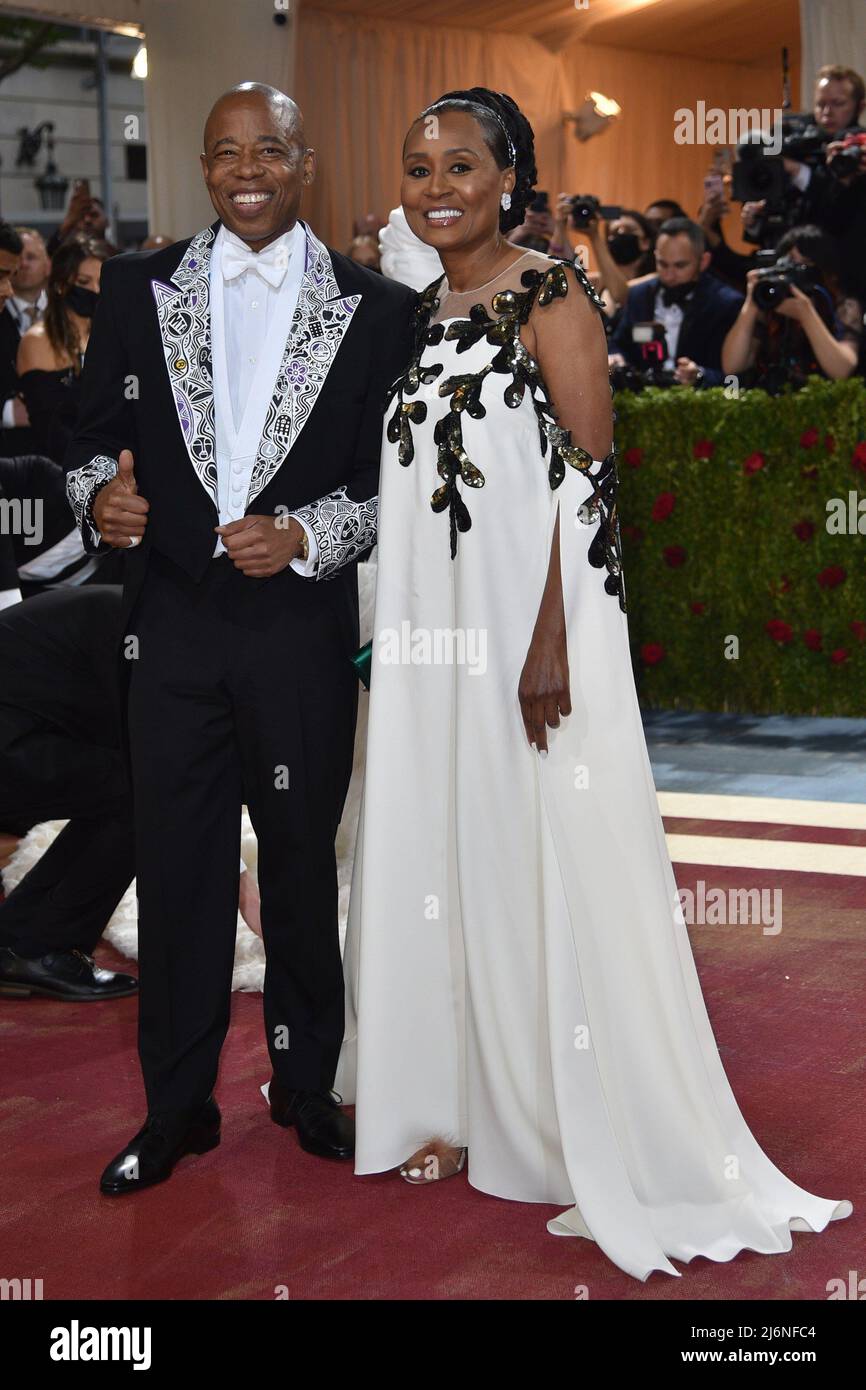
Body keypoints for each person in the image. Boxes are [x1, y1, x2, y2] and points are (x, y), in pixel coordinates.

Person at [335, 85, 852, 1282]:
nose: (435, 187)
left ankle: (557, 1114)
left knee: (534, 843)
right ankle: (450, 1097)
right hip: (430, 641)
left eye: (460, 164)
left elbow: (589, 476)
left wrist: (552, 638)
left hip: (529, 628)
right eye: (417, 167)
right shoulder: (411, 307)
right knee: (440, 840)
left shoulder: (548, 289)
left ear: (507, 176)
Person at [63, 82, 415, 1196]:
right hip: (167, 628)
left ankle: (306, 1087)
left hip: (297, 627)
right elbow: (89, 443)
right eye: (224, 152)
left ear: (304, 159)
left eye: (268, 148)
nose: (246, 168)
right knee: (177, 870)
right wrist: (94, 505)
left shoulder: (376, 308)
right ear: (203, 167)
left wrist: (311, 532)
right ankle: (175, 1110)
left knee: (303, 862)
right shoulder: (133, 287)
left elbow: (386, 487)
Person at [0, 585, 261, 1000]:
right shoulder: (157, 639)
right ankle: (36, 945)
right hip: (12, 744)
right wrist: (244, 887)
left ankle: (23, 941)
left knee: (130, 788)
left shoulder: (150, 617)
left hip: (22, 734)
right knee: (145, 792)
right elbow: (172, 774)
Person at [721, 224, 862, 391]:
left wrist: (806, 314)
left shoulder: (843, 307)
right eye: (788, 265)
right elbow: (732, 367)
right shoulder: (770, 305)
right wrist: (752, 303)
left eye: (803, 266)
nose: (793, 274)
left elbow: (842, 370)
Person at [607, 217, 743, 387]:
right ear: (655, 256)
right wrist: (616, 358)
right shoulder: (638, 295)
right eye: (662, 264)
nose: (669, 275)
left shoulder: (726, 303)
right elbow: (618, 343)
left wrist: (701, 375)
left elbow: (738, 377)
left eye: (680, 266)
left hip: (698, 405)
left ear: (704, 261)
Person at [16, 235, 111, 464]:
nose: (95, 291)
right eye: (84, 282)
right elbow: (52, 430)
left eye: (101, 282)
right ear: (61, 284)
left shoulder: (111, 336)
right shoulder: (37, 341)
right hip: (59, 474)